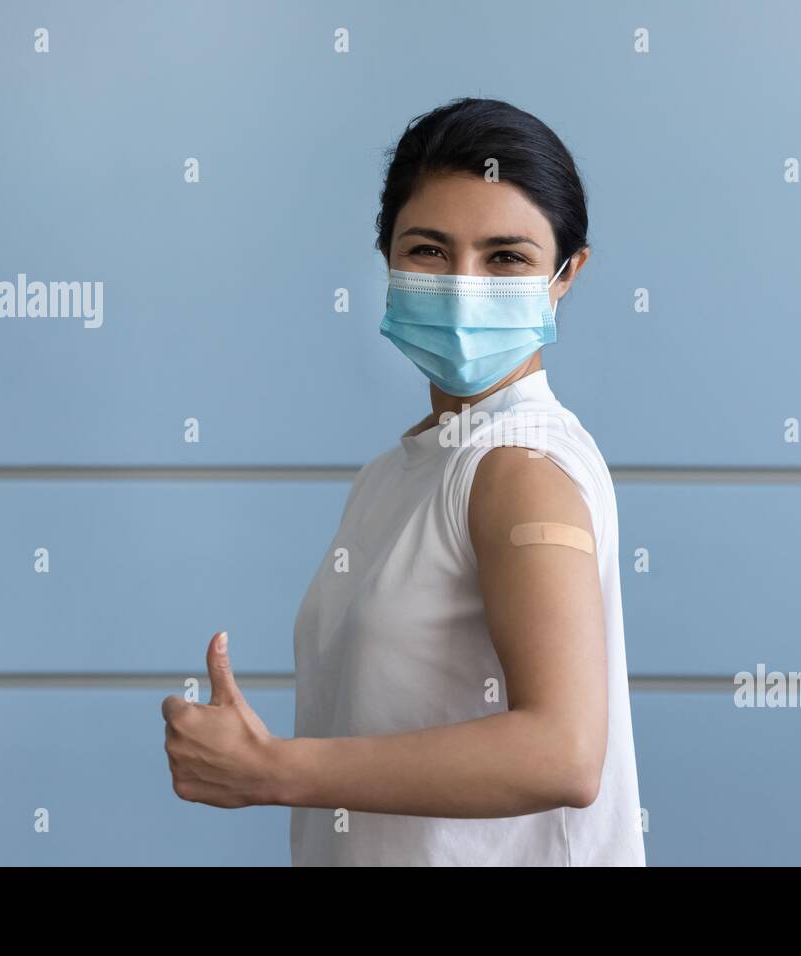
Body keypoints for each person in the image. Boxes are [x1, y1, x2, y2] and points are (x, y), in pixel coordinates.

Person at [162, 97, 645, 866]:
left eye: (506, 258)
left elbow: (563, 753)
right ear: (386, 254)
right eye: (428, 250)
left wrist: (269, 768)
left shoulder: (519, 467)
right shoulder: (403, 469)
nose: (463, 285)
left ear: (565, 274)